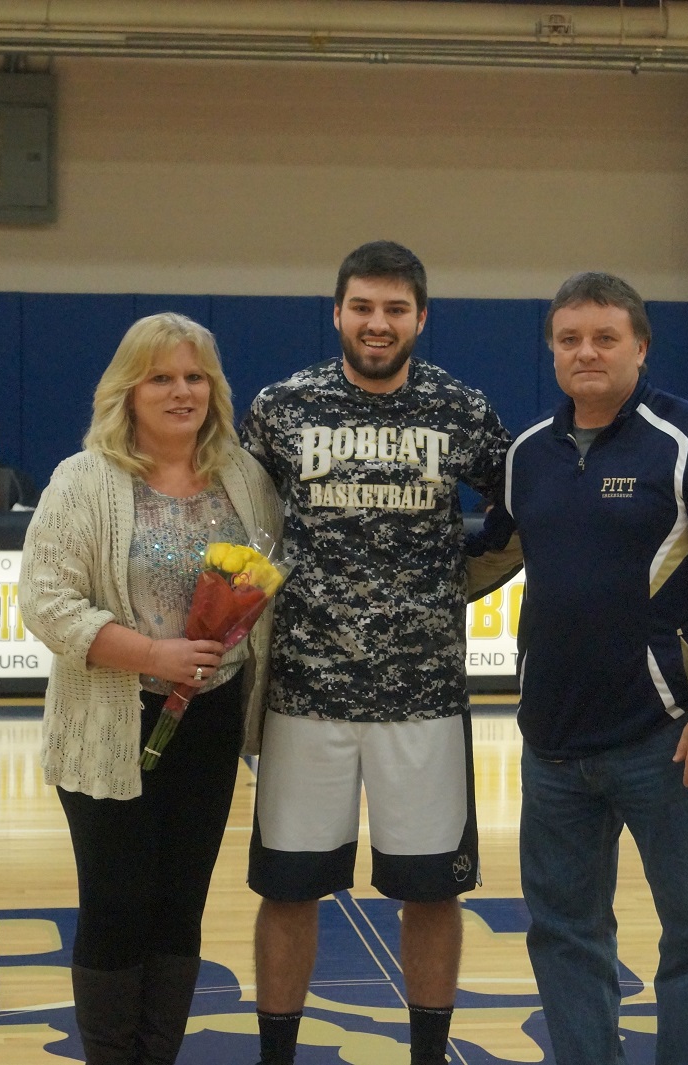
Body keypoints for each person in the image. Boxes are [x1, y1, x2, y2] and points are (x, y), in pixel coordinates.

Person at [239, 240, 511, 1065]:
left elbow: (523, 503)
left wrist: (450, 586)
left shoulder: (461, 411)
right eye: (363, 306)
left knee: (430, 892)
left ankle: (427, 1055)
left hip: (422, 699)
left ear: (421, 318)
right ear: (337, 312)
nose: (378, 323)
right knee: (288, 889)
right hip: (303, 696)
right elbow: (240, 522)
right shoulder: (281, 408)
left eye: (396, 309)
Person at [490, 272, 688, 1064]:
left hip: (670, 741)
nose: (587, 351)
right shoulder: (526, 454)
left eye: (605, 337)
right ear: (551, 350)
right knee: (566, 935)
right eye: (570, 338)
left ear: (640, 348)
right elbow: (491, 552)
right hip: (551, 748)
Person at [18, 312, 282, 1065]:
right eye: (161, 377)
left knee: (179, 906)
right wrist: (154, 654)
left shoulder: (248, 479)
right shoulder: (84, 480)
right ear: (128, 390)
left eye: (195, 376)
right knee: (116, 902)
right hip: (112, 720)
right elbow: (47, 601)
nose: (181, 391)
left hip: (212, 724)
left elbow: (267, 592)